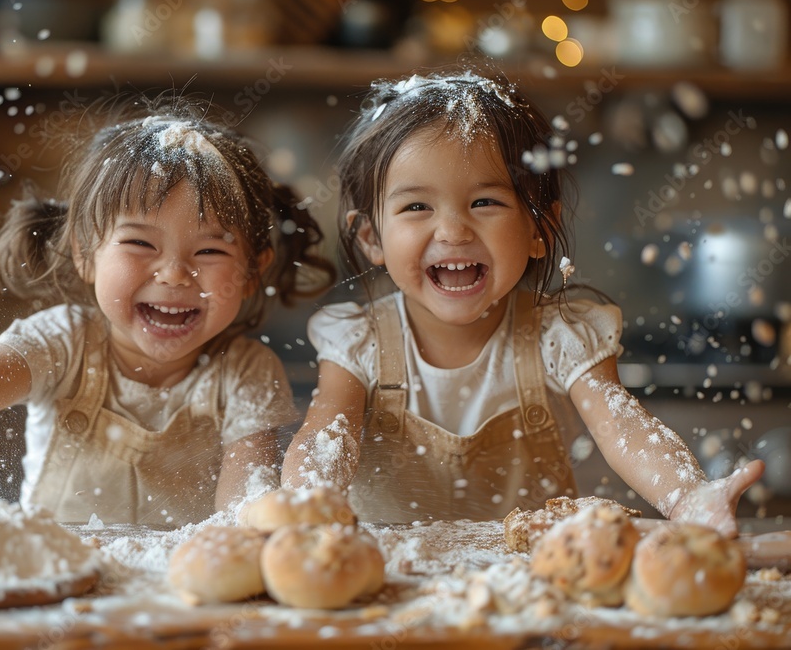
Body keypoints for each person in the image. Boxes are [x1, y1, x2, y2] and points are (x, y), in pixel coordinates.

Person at [0, 93, 335, 525]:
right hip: (52, 591)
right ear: (84, 254)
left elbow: (243, 508)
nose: (173, 274)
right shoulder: (61, 341)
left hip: (172, 599)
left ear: (252, 271)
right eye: (140, 244)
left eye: (211, 250)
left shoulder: (246, 374)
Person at [281, 70, 763, 538]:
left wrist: (687, 497)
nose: (452, 231)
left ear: (536, 227)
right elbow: (327, 440)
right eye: (416, 207)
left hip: (533, 584)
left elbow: (624, 427)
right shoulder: (358, 341)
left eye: (485, 202)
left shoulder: (561, 333)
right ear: (371, 237)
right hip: (389, 585)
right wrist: (304, 506)